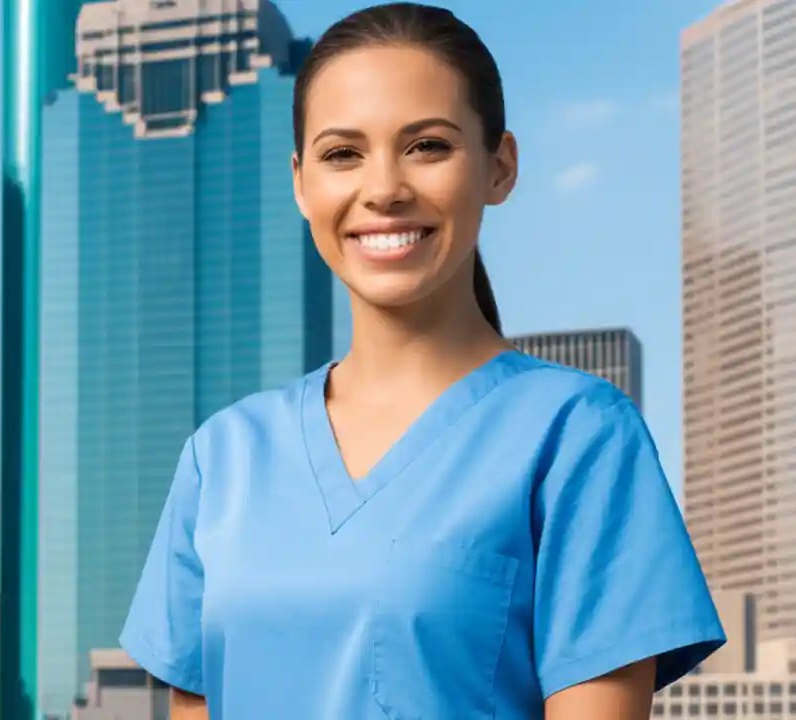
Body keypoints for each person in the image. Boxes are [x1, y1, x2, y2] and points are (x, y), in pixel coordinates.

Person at [119, 3, 725, 718]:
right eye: (343, 153)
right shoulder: (221, 458)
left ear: (500, 168)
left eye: (427, 146)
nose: (384, 189)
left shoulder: (579, 436)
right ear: (300, 182)